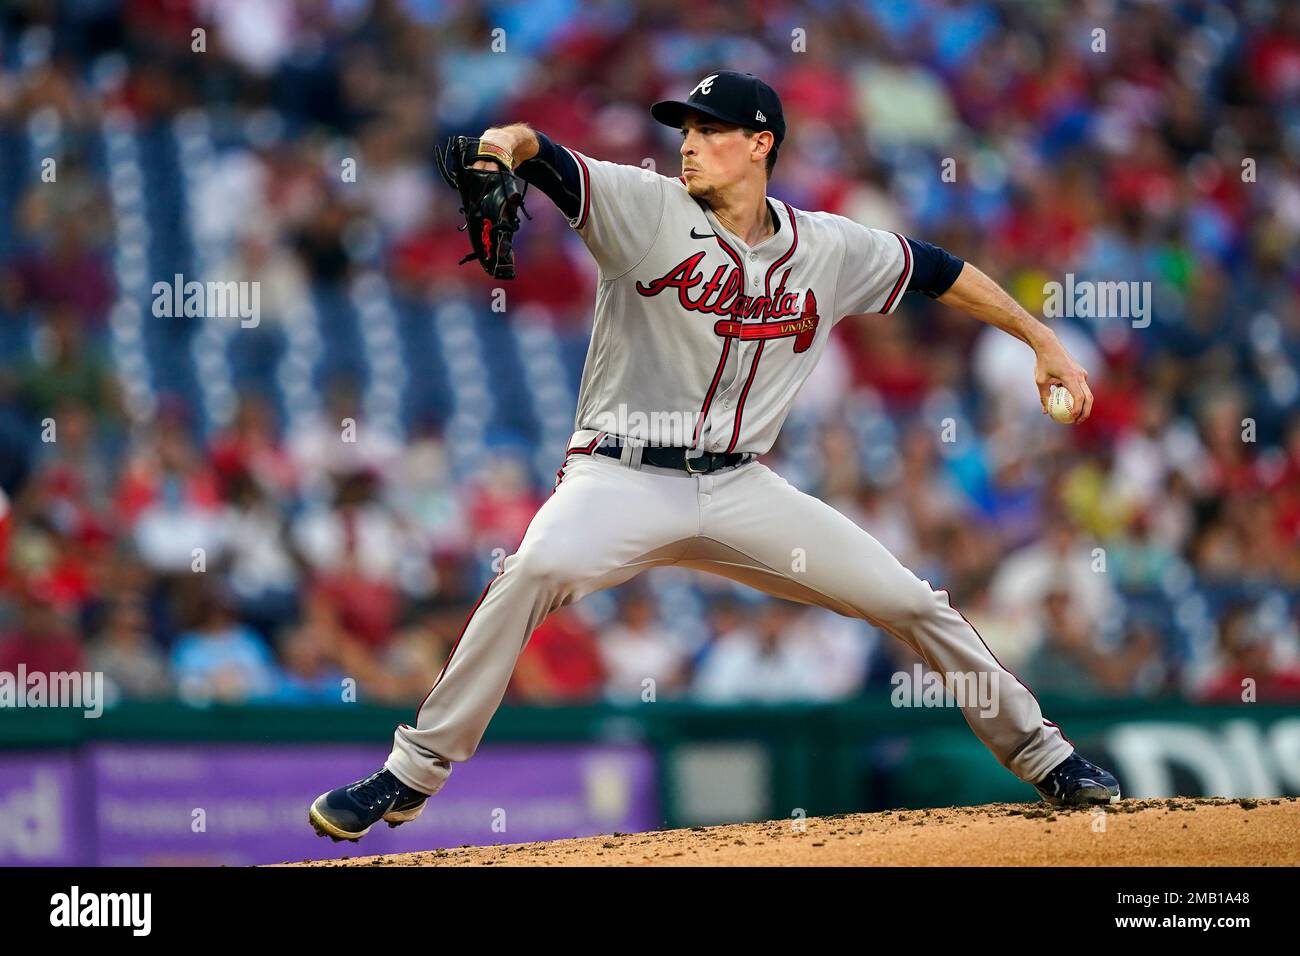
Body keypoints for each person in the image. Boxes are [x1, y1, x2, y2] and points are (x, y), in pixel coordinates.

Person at [310, 71, 1119, 842]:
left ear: (761, 142)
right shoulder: (644, 207)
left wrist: (1040, 338)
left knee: (913, 604)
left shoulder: (826, 247)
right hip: (617, 478)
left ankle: (1049, 760)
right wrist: (495, 151)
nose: (688, 144)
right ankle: (412, 774)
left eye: (710, 130)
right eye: (684, 129)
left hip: (740, 489)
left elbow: (939, 272)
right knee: (530, 572)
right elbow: (536, 148)